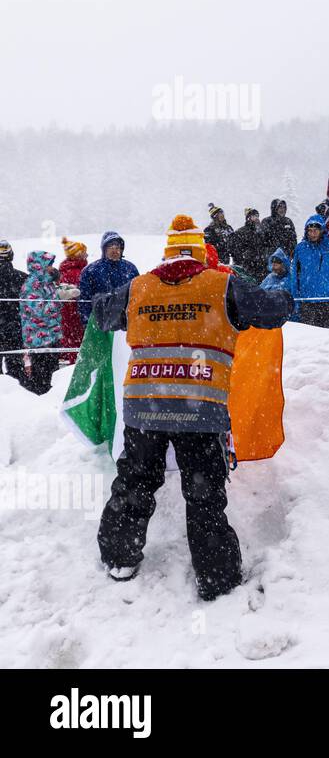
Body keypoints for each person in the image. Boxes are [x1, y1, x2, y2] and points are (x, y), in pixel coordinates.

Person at [90, 213, 293, 600]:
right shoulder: (223, 286)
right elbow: (273, 309)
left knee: (134, 483)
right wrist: (285, 293)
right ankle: (217, 578)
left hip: (144, 408)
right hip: (198, 411)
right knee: (203, 495)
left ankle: (119, 557)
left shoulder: (138, 288)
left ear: (166, 253)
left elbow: (100, 313)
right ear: (201, 252)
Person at [289, 214, 329, 328]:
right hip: (306, 302)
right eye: (310, 231)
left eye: (315, 231)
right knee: (310, 340)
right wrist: (296, 298)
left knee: (328, 340)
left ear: (322, 230)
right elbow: (294, 276)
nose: (312, 234)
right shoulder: (300, 248)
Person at [18, 251, 61, 394]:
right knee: (42, 377)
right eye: (49, 264)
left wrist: (60, 292)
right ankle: (40, 402)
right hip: (38, 339)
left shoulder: (46, 282)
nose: (51, 268)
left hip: (51, 336)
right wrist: (59, 299)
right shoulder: (31, 285)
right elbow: (38, 310)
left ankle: (49, 401)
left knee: (52, 375)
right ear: (39, 266)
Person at [77, 231, 139, 325]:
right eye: (110, 247)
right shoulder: (91, 270)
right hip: (100, 324)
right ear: (104, 249)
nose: (115, 250)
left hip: (126, 323)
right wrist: (88, 323)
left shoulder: (130, 269)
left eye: (117, 247)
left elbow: (138, 295)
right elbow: (84, 300)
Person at [57, 237, 88, 361]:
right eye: (84, 252)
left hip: (67, 315)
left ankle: (71, 360)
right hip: (75, 313)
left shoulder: (63, 272)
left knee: (70, 339)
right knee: (77, 340)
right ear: (78, 255)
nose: (87, 255)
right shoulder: (78, 273)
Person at [0, 241, 26, 380]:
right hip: (15, 327)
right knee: (16, 366)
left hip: (12, 325)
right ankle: (17, 395)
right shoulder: (22, 278)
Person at [230, 208, 269, 281]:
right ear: (248, 218)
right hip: (248, 267)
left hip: (262, 267)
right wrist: (246, 258)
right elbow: (235, 251)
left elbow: (265, 246)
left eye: (257, 216)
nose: (257, 218)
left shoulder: (261, 232)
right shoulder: (241, 232)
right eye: (254, 216)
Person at [264, 199, 297, 263]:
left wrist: (292, 253)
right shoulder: (267, 221)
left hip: (286, 258)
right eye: (280, 207)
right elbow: (262, 241)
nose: (283, 209)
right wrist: (268, 254)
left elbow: (293, 239)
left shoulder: (288, 221)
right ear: (274, 208)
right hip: (271, 259)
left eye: (284, 207)